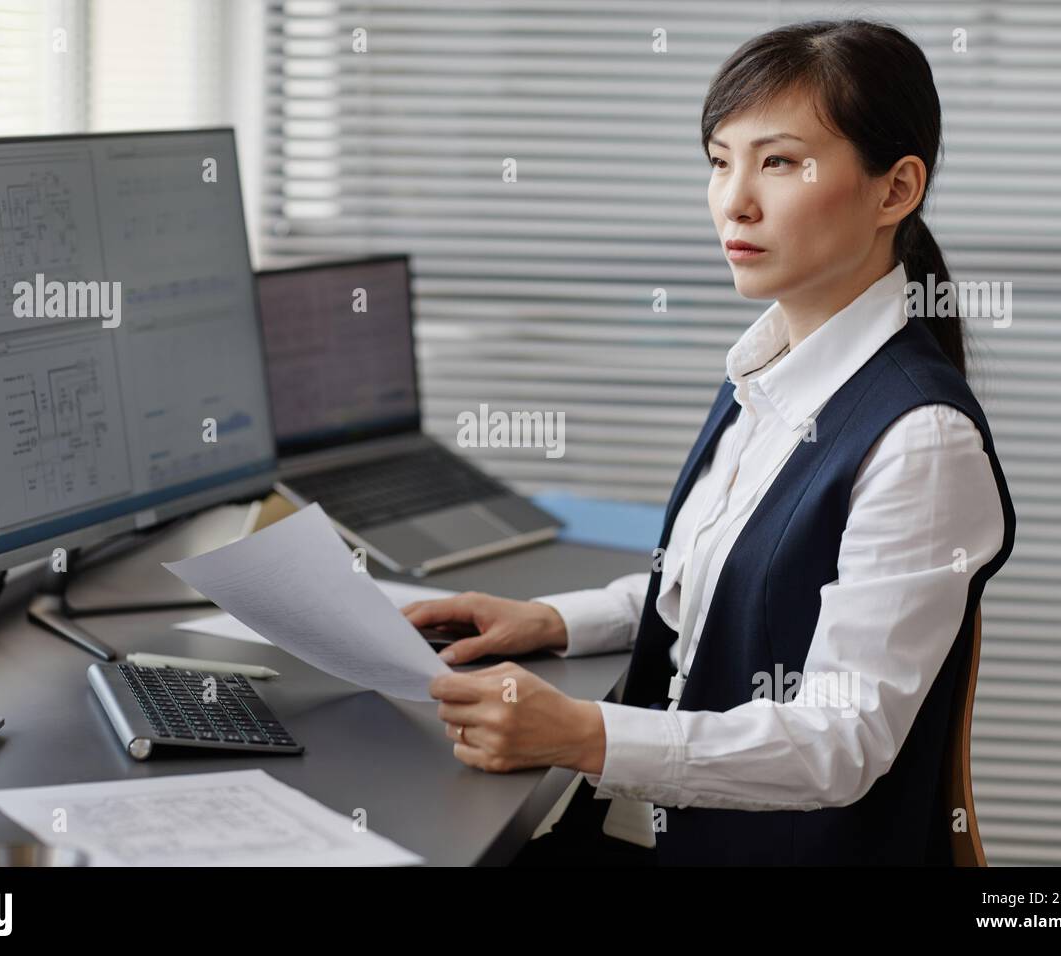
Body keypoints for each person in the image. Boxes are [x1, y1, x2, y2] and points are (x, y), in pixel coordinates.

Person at [403, 18, 1017, 866]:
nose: (736, 199)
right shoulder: (770, 367)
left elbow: (842, 738)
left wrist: (585, 733)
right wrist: (553, 620)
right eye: (720, 161)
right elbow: (730, 583)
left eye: (779, 162)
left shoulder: (921, 443)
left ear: (894, 190)